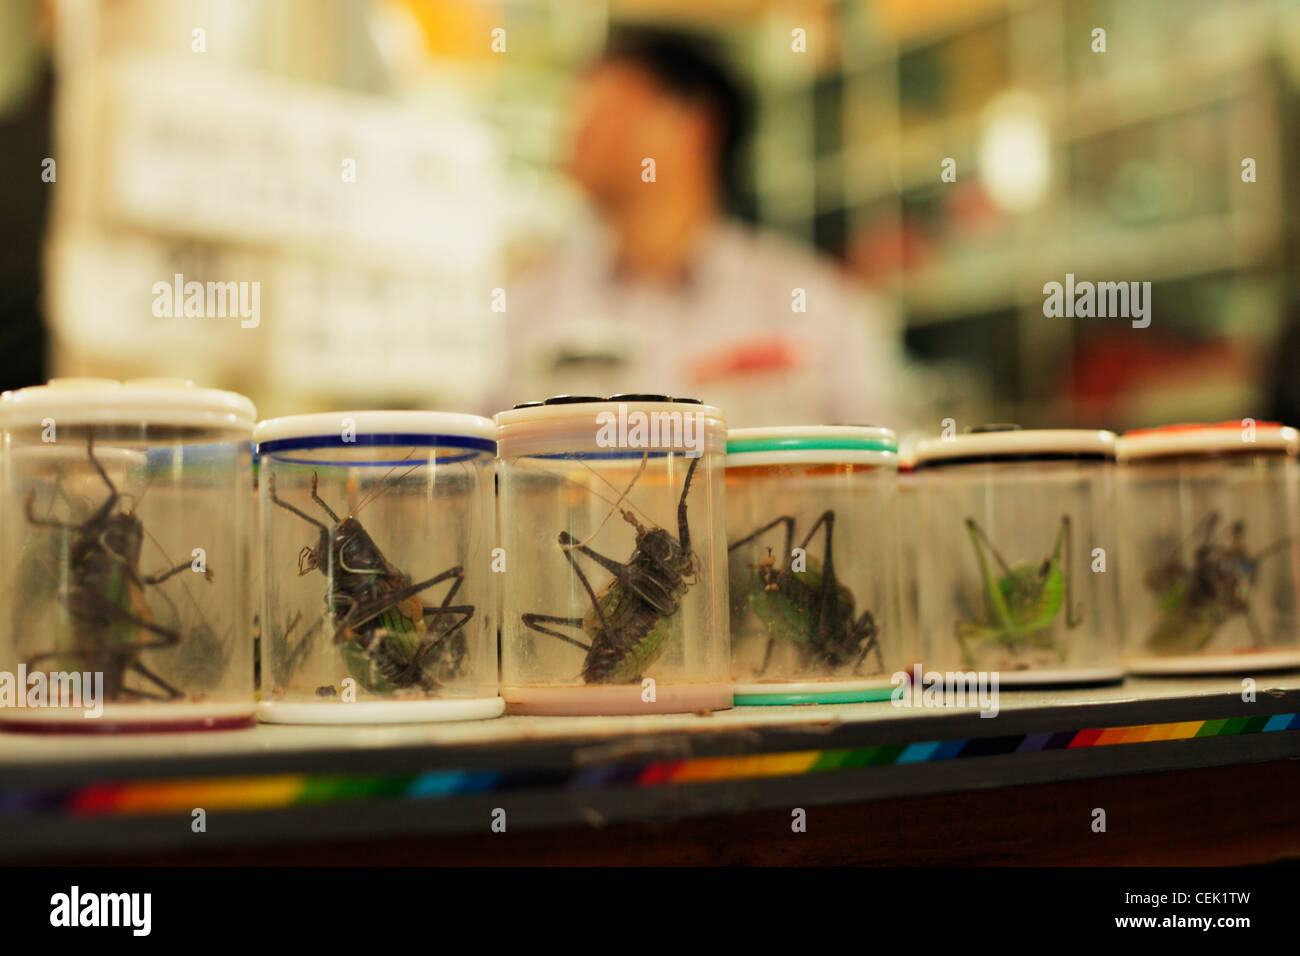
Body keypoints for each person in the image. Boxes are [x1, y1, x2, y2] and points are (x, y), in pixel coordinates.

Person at [502, 27, 903, 427]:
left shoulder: (812, 304)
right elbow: (483, 466)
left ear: (694, 123)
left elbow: (879, 464)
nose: (576, 129)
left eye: (604, 106)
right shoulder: (529, 307)